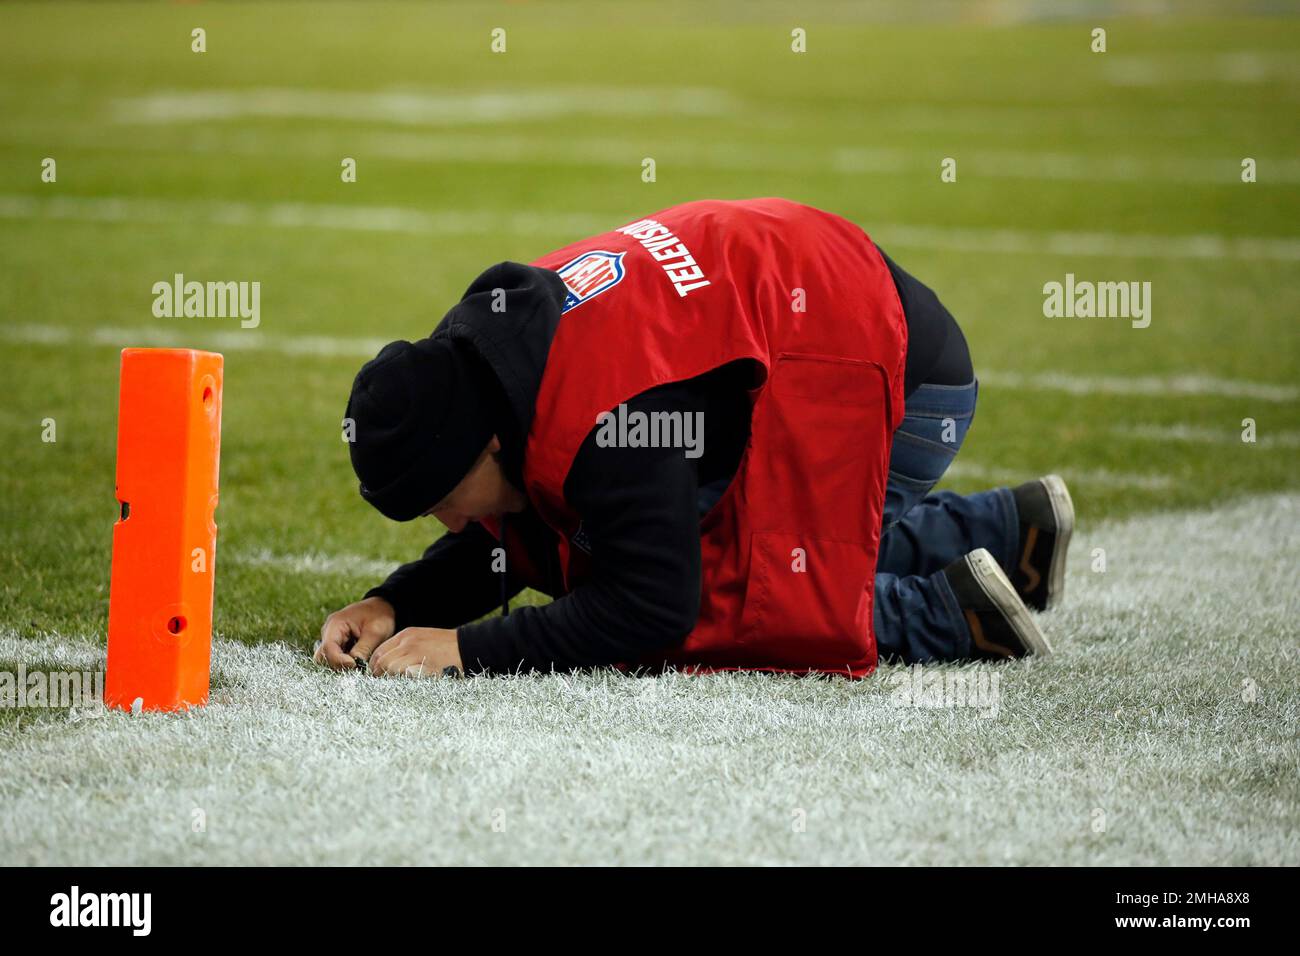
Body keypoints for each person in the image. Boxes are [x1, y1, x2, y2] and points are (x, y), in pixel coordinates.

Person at [316, 198, 1073, 679]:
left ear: (484, 446)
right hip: (833, 316)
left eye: (444, 500)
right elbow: (514, 535)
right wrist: (396, 602)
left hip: (890, 374)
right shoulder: (494, 362)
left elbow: (650, 605)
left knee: (732, 604)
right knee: (620, 544)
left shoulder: (612, 417)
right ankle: (1009, 531)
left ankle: (956, 615)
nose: (451, 521)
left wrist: (466, 650)